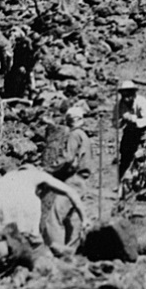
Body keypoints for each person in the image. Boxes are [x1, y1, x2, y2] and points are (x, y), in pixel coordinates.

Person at [0, 166, 88, 252]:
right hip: (24, 202)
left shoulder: (8, 176)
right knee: (32, 242)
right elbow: (71, 192)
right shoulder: (37, 174)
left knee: (8, 241)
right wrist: (84, 219)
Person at [43, 105, 93, 253]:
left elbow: (68, 158)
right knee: (71, 219)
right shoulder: (83, 135)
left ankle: (57, 250)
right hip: (82, 179)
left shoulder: (74, 135)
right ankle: (72, 249)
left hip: (73, 179)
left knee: (54, 216)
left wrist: (50, 169)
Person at [113, 80, 146, 186]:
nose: (126, 98)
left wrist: (134, 119)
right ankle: (122, 182)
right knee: (125, 154)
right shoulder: (120, 104)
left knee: (141, 156)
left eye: (129, 95)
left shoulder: (142, 102)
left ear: (134, 93)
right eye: (124, 95)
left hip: (145, 130)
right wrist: (122, 120)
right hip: (130, 130)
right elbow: (115, 123)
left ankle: (143, 180)